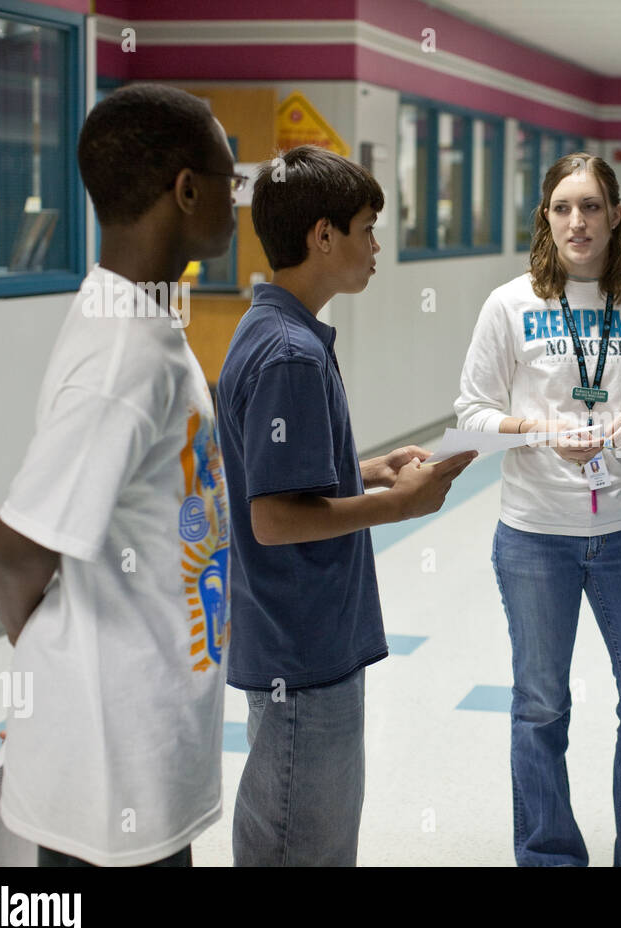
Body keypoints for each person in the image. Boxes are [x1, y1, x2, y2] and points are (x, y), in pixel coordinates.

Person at [0, 84, 239, 866]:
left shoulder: (146, 321)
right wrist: (45, 658)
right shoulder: (123, 357)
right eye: (231, 181)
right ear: (186, 189)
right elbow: (20, 544)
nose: (238, 202)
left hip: (151, 726)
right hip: (108, 756)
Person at [216, 145, 475, 866]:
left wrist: (363, 471)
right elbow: (274, 517)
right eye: (366, 228)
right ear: (321, 236)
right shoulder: (291, 354)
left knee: (289, 831)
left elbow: (277, 475)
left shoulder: (271, 328)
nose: (376, 247)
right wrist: (400, 505)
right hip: (303, 651)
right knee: (304, 846)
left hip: (293, 640)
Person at [455, 152, 621, 866]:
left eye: (590, 206)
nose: (577, 222)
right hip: (534, 537)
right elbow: (470, 415)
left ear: (616, 216)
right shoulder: (511, 304)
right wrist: (536, 431)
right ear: (546, 218)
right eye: (562, 208)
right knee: (540, 707)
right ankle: (549, 855)